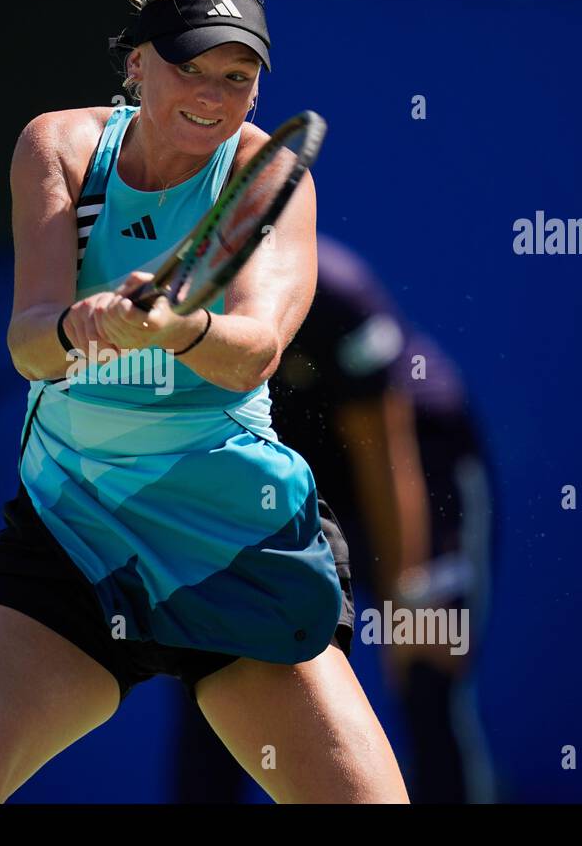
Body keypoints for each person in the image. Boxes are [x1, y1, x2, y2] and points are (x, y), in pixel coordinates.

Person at [0, 0, 407, 804]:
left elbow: (259, 345)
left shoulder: (263, 168)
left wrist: (177, 326)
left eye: (238, 77)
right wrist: (80, 326)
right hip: (72, 539)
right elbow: (29, 342)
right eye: (189, 68)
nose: (213, 96)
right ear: (136, 65)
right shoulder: (57, 146)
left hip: (233, 538)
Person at [174, 235, 498, 803]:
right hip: (289, 479)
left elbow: (382, 450)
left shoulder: (338, 292)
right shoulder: (170, 301)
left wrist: (407, 592)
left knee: (425, 664)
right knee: (216, 670)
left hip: (417, 468)